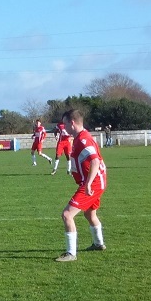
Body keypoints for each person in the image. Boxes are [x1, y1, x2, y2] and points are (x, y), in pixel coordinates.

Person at [54, 109, 107, 262]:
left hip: (92, 184)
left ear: (72, 123)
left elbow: (95, 161)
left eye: (64, 124)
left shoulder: (84, 140)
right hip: (96, 182)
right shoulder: (80, 138)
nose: (63, 127)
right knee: (90, 214)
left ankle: (71, 253)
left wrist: (89, 183)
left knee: (67, 215)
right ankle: (99, 244)